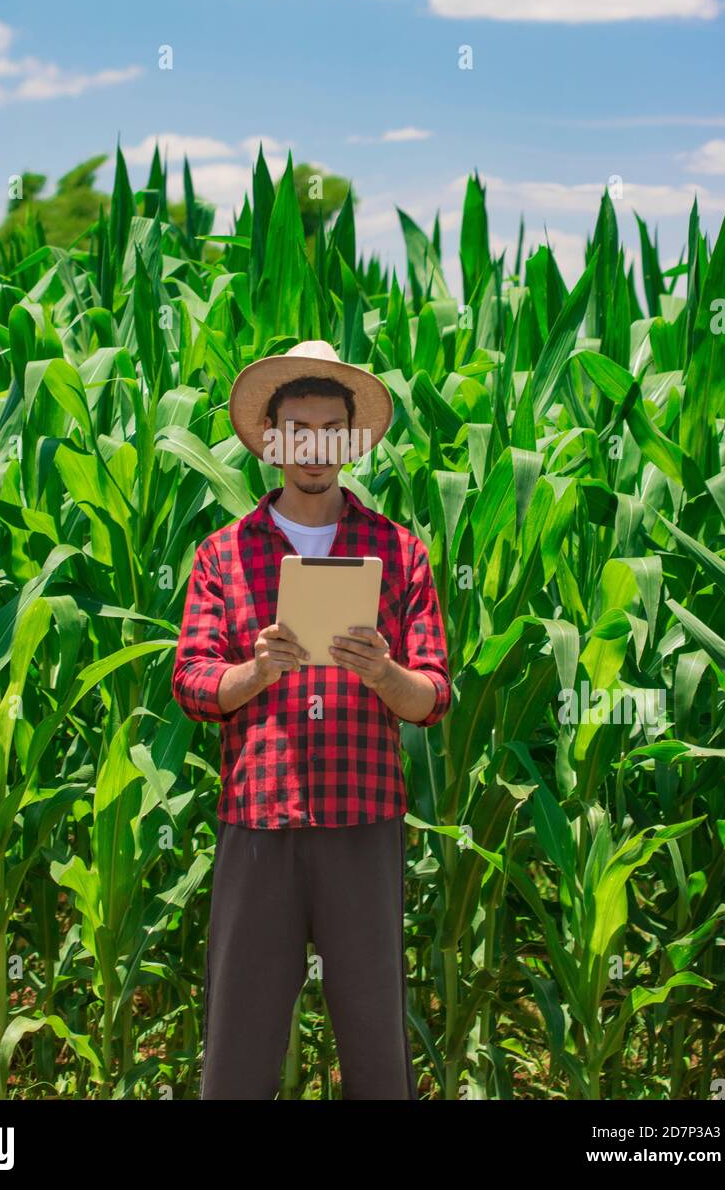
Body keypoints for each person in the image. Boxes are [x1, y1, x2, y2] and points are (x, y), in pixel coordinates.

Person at [172, 340, 451, 1099]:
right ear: (272, 438)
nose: (314, 448)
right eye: (299, 429)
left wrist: (382, 672)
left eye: (332, 430)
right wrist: (255, 672)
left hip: (362, 823)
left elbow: (433, 696)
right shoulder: (224, 556)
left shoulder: (398, 553)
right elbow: (192, 683)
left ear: (350, 441)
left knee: (375, 1044)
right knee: (238, 1045)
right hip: (258, 821)